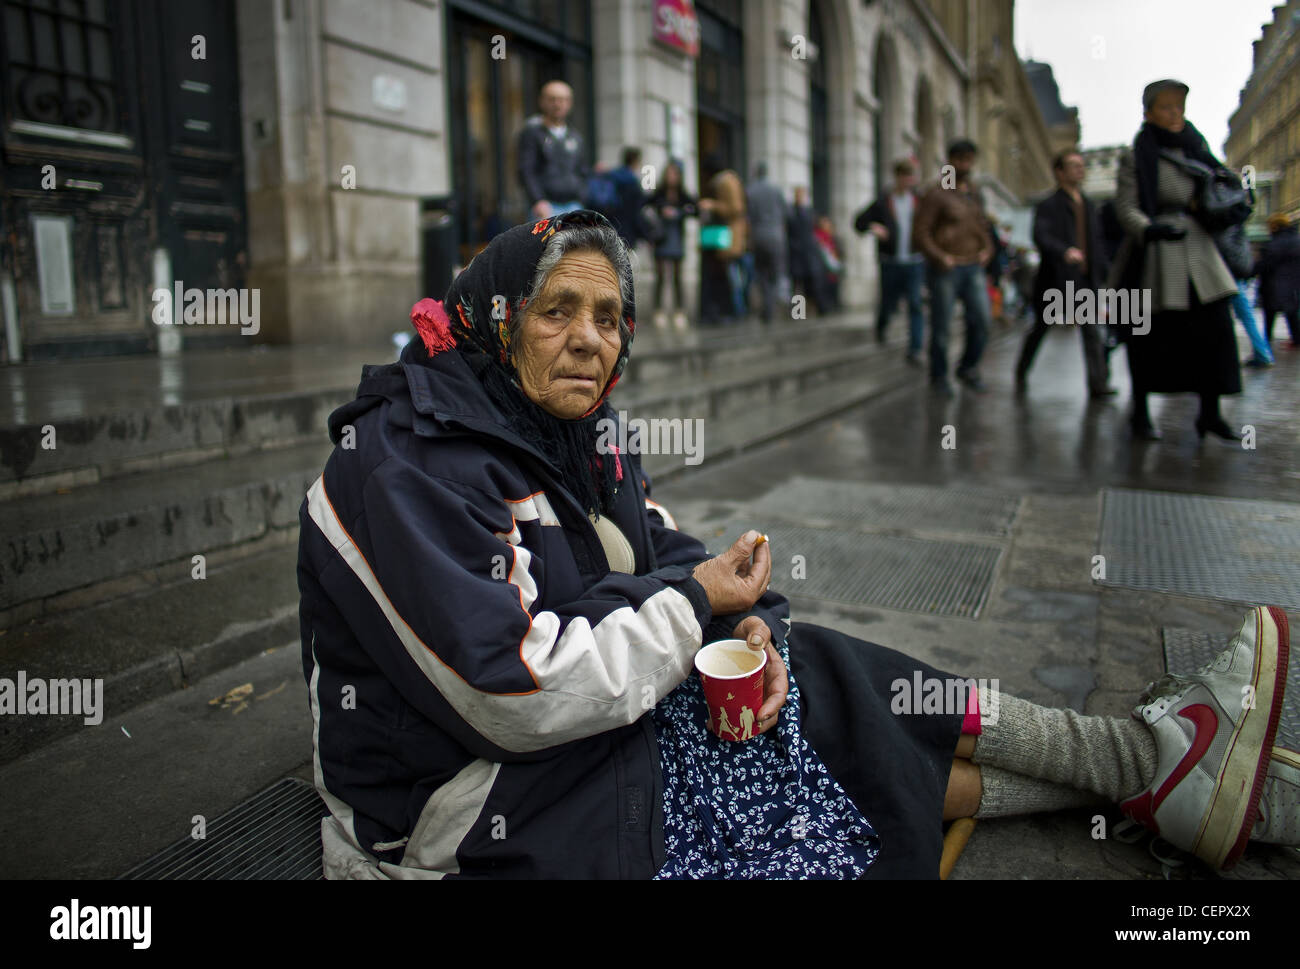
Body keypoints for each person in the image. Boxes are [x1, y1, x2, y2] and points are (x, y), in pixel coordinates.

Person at [297, 209, 1296, 879]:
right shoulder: (405, 462)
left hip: (571, 730)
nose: (592, 339)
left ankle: (1154, 768)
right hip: (457, 807)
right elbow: (513, 695)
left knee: (799, 679)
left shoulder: (574, 428)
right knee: (800, 760)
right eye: (557, 311)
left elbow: (656, 548)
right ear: (498, 321)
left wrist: (752, 616)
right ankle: (1151, 764)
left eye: (609, 316)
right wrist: (697, 611)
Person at [1107, 79, 1243, 442]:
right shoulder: (1137, 155)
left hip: (1199, 248)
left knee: (1213, 331)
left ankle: (1210, 414)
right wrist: (1149, 230)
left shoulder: (1197, 151)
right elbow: (1126, 207)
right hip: (1156, 252)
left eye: (1179, 107)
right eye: (1166, 107)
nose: (1175, 114)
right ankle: (1141, 412)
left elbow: (1218, 190)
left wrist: (1228, 198)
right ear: (1149, 112)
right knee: (1149, 337)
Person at [1015, 150, 1114, 398]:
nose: (1079, 170)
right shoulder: (1049, 204)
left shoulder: (1089, 205)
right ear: (1059, 172)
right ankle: (1022, 370)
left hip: (1084, 279)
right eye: (1073, 165)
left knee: (1090, 329)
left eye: (1081, 165)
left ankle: (1097, 384)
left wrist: (1104, 272)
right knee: (1041, 327)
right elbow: (1041, 235)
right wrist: (1063, 251)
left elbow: (1097, 242)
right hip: (1056, 279)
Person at [914, 140, 994, 394]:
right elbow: (921, 233)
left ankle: (968, 367)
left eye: (969, 159)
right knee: (942, 325)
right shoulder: (937, 193)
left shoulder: (973, 195)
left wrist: (987, 250)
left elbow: (983, 227)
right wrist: (939, 257)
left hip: (972, 267)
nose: (965, 165)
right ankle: (939, 375)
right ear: (950, 160)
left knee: (982, 320)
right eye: (960, 159)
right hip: (946, 268)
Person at [855, 158, 925, 365]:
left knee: (915, 304)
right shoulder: (883, 202)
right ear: (897, 177)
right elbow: (859, 222)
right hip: (890, 262)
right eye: (905, 176)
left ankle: (915, 349)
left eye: (911, 176)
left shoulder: (919, 201)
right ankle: (881, 327)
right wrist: (873, 228)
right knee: (888, 301)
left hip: (914, 261)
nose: (909, 181)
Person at [517, 80, 589, 219]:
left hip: (574, 206)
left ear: (570, 103)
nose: (558, 104)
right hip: (545, 207)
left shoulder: (575, 137)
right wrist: (537, 200)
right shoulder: (532, 134)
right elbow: (526, 171)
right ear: (542, 102)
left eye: (563, 100)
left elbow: (583, 171)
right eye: (552, 99)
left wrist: (581, 197)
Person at [645, 159, 698, 330]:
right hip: (661, 238)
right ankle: (658, 311)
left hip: (676, 237)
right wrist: (661, 211)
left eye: (674, 174)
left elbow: (695, 208)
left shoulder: (682, 194)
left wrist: (680, 212)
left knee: (677, 276)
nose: (671, 177)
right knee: (660, 276)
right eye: (669, 174)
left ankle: (679, 311)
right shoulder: (658, 193)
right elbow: (646, 206)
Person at [698, 153, 747, 326]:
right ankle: (729, 312)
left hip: (726, 236)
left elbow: (735, 208)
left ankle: (732, 312)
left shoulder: (725, 181)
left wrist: (712, 205)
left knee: (728, 277)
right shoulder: (728, 180)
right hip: (725, 236)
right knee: (727, 276)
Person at [745, 162, 790, 323]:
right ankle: (780, 306)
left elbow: (747, 216)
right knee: (777, 273)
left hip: (758, 236)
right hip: (776, 237)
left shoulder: (750, 191)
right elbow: (787, 213)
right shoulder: (776, 190)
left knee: (762, 274)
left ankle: (768, 308)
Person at [1254, 211, 1300, 350]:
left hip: (1273, 284)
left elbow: (1264, 264)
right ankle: (1296, 340)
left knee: (1269, 314)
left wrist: (1250, 271)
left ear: (1274, 226)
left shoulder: (1274, 243)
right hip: (1293, 284)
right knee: (1291, 313)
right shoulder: (1296, 239)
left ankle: (1266, 342)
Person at [788, 186, 828, 315]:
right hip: (796, 252)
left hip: (809, 252)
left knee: (813, 282)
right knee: (797, 283)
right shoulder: (791, 212)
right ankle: (798, 313)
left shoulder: (809, 212)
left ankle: (819, 308)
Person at [602, 146, 649, 250]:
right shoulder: (633, 183)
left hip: (610, 225)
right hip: (627, 230)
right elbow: (636, 211)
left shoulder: (612, 176)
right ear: (635, 161)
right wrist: (645, 234)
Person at [1229, 278, 1274, 368]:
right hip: (1236, 277)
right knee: (1248, 317)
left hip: (1229, 278)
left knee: (1247, 317)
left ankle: (1263, 354)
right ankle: (1263, 354)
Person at [813, 214, 843, 312]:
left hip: (833, 270)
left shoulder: (833, 237)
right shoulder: (817, 237)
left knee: (834, 288)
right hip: (822, 269)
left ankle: (834, 305)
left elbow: (839, 251)